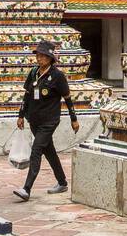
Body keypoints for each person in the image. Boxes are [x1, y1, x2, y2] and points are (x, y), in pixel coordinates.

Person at [12, 40, 79, 201]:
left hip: (50, 121)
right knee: (49, 151)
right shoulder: (33, 73)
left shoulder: (57, 76)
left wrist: (73, 119)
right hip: (34, 119)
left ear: (50, 58)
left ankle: (26, 188)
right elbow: (26, 96)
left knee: (36, 150)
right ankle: (62, 182)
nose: (39, 58)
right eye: (38, 55)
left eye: (43, 56)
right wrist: (21, 115)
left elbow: (68, 98)